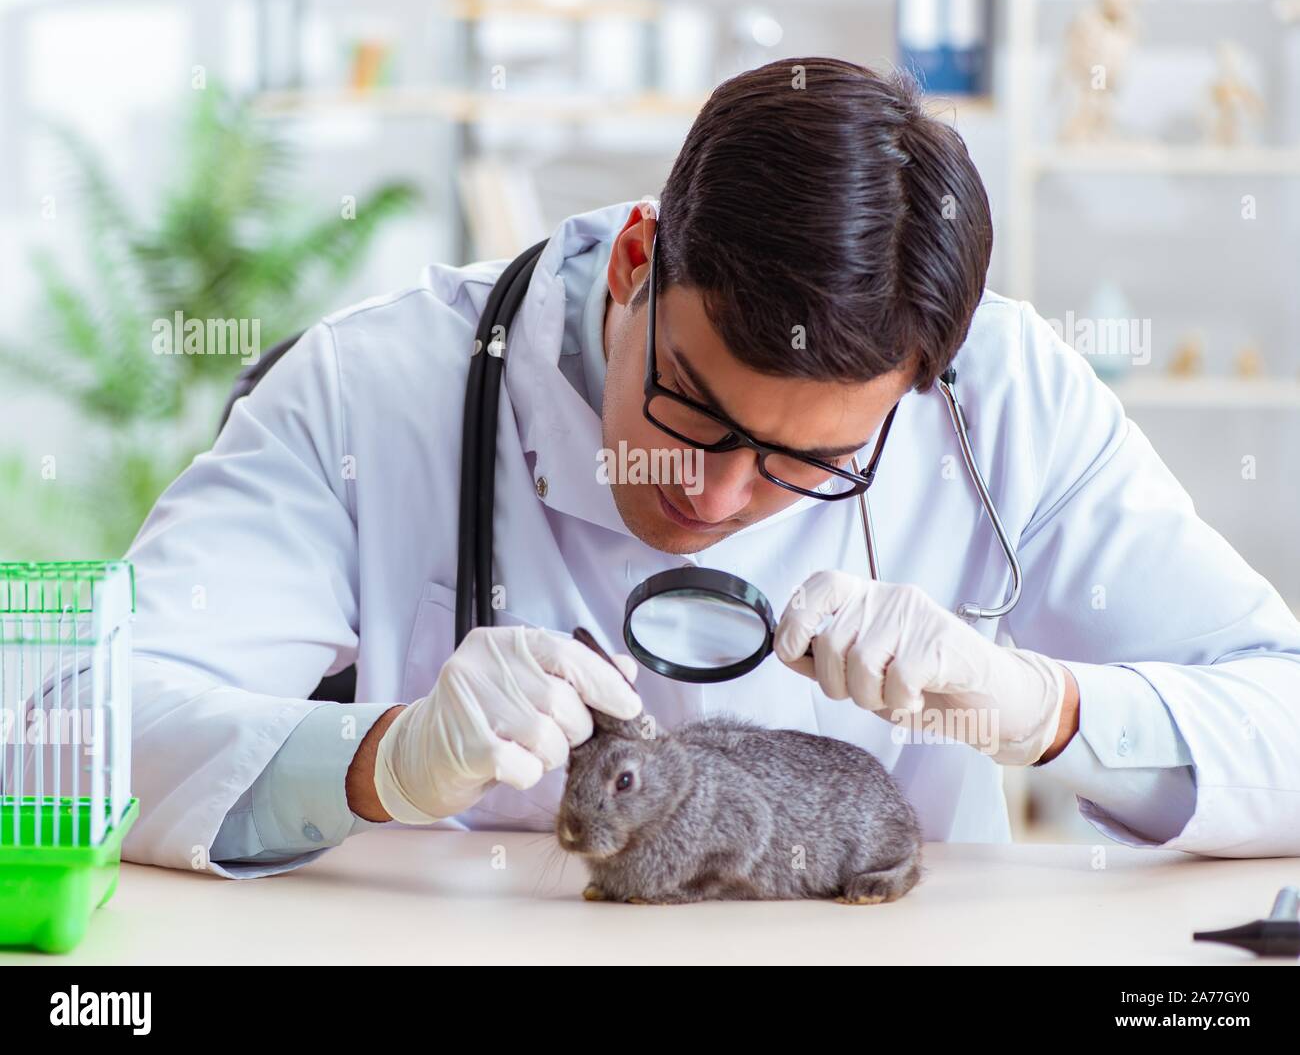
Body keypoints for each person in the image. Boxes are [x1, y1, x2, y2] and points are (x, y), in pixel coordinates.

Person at [123, 58, 1300, 877]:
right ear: (637, 258)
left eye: (813, 462)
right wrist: (383, 758)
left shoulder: (1009, 402)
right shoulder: (368, 392)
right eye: (692, 408)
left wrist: (1048, 709)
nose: (718, 498)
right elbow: (63, 722)